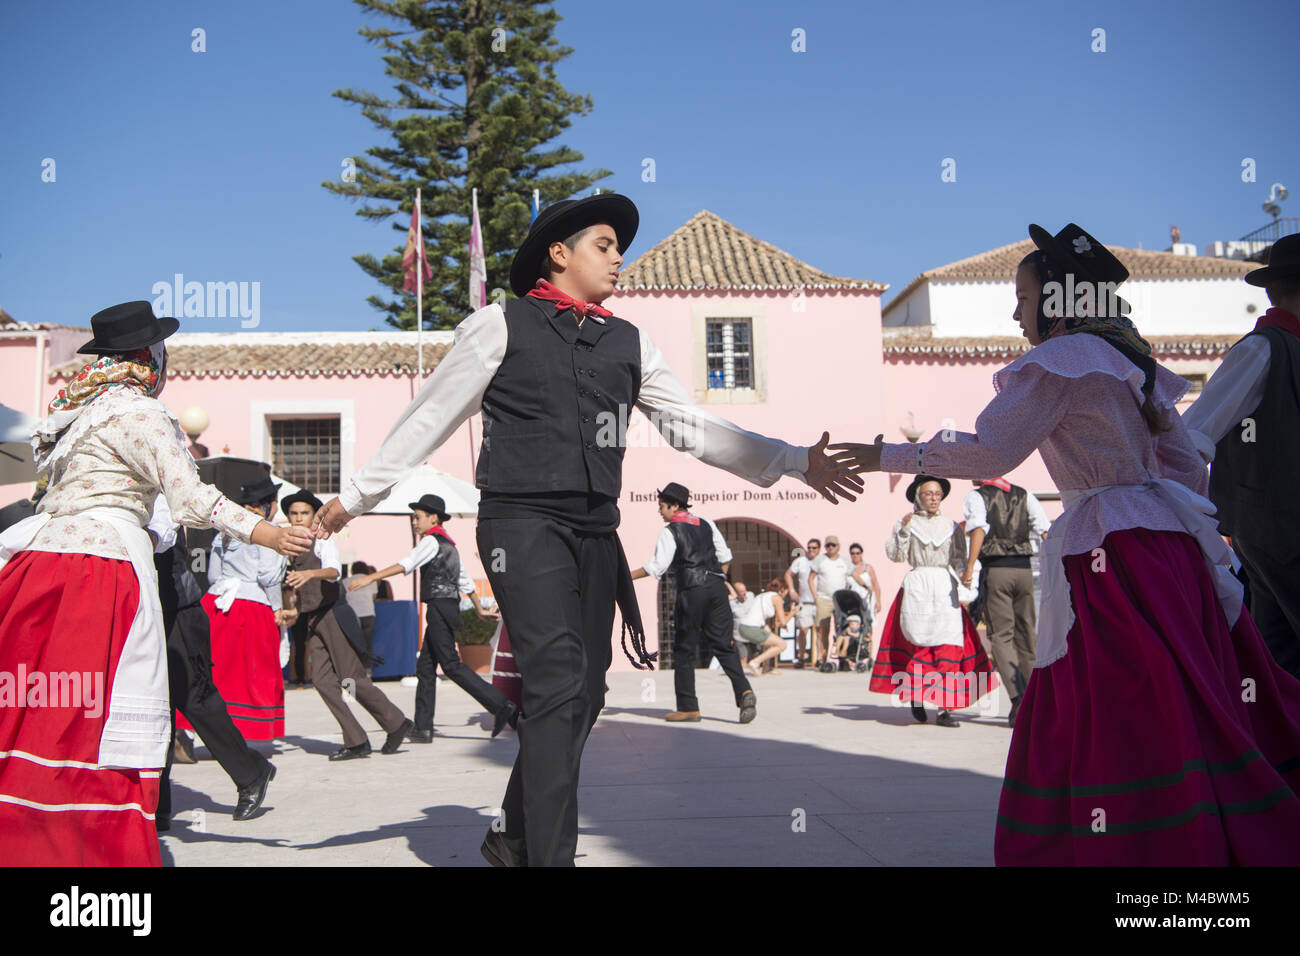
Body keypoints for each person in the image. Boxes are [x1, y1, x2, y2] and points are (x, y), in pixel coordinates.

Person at [311, 193, 860, 866]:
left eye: (620, 246)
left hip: (596, 532)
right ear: (559, 253)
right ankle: (548, 857)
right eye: (604, 244)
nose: (619, 257)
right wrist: (355, 498)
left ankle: (513, 831)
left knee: (588, 688)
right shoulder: (497, 325)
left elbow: (694, 429)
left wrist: (796, 460)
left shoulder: (631, 341)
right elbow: (429, 418)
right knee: (560, 682)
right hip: (522, 522)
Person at [830, 223, 1300, 865]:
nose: (1016, 311)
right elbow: (1188, 466)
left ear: (1057, 300)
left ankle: (1129, 851)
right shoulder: (1128, 363)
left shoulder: (1061, 363)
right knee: (1180, 695)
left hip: (1110, 554)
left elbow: (993, 450)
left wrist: (886, 452)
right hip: (1169, 547)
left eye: (1022, 297)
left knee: (1111, 703)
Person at [0, 301, 310, 866]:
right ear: (148, 357)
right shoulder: (141, 413)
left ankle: (29, 836)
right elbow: (190, 499)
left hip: (36, 565)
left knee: (40, 707)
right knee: (102, 710)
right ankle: (90, 849)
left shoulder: (77, 414)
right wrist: (267, 532)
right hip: (97, 569)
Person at [1184, 233, 1300, 680]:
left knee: (1279, 657)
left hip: (1277, 529)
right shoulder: (1261, 349)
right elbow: (1193, 436)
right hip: (1276, 529)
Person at [150, 497, 276, 829]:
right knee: (154, 707)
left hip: (180, 609)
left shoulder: (161, 489)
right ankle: (157, 805)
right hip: (146, 611)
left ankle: (251, 773)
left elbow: (163, 532)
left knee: (197, 699)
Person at [349, 493, 516, 742]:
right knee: (425, 667)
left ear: (433, 518)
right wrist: (479, 608)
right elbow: (464, 581)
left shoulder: (430, 542)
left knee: (450, 664)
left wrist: (371, 577)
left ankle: (501, 705)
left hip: (439, 606)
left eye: (417, 518)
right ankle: (424, 727)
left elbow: (407, 563)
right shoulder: (450, 545)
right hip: (446, 606)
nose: (414, 522)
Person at [283, 489, 413, 761]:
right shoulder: (292, 547)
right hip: (314, 619)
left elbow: (333, 572)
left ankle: (396, 722)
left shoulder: (321, 541)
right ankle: (357, 739)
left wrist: (308, 573)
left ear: (312, 516)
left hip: (334, 615)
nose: (298, 518)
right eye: (293, 513)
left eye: (304, 513)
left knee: (351, 678)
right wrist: (292, 609)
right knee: (320, 680)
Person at [867, 476, 996, 727]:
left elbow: (958, 559)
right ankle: (917, 695)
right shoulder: (907, 523)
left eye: (937, 493)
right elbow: (896, 555)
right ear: (919, 496)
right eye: (928, 493)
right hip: (918, 585)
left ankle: (945, 708)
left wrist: (965, 575)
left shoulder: (951, 526)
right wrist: (903, 531)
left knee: (949, 645)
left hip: (944, 586)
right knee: (919, 642)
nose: (934, 498)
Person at [631, 482, 756, 723]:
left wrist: (625, 577)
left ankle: (688, 707)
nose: (660, 511)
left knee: (685, 648)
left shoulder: (671, 531)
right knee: (723, 645)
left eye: (662, 506)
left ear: (674, 505)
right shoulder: (707, 524)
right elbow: (726, 557)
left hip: (692, 590)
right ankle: (744, 691)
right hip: (717, 588)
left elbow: (657, 566)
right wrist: (716, 580)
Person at [193, 472, 288, 742]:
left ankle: (196, 729)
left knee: (214, 669)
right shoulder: (267, 531)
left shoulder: (226, 530)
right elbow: (269, 577)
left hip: (216, 603)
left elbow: (213, 575)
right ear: (268, 503)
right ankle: (240, 731)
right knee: (251, 672)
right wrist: (278, 607)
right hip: (249, 607)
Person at [960, 477, 1050, 726]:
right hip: (1024, 571)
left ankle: (1019, 698)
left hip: (997, 569)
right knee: (1027, 634)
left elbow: (978, 528)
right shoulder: (1025, 494)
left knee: (1001, 635)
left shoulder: (977, 496)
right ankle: (1035, 699)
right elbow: (1044, 530)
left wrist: (969, 567)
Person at [809, 535, 853, 668]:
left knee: (842, 629)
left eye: (833, 545)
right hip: (824, 598)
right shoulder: (820, 560)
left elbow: (854, 576)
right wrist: (815, 596)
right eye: (828, 545)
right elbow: (811, 578)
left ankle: (842, 658)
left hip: (840, 600)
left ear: (838, 546)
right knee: (822, 630)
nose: (830, 548)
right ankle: (821, 658)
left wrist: (867, 587)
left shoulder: (844, 561)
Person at [736, 578, 791, 675]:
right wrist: (794, 612)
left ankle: (766, 667)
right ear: (782, 589)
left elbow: (763, 619)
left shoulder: (762, 596)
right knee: (782, 645)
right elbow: (783, 622)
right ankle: (755, 662)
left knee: (770, 640)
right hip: (751, 628)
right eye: (787, 591)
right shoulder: (777, 598)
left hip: (743, 626)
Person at [784, 540, 820, 667]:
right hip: (804, 601)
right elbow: (788, 574)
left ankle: (820, 658)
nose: (811, 550)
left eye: (814, 548)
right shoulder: (800, 561)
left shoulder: (822, 562)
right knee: (803, 630)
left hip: (819, 602)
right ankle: (801, 657)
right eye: (809, 547)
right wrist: (792, 590)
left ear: (819, 549)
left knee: (821, 631)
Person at [344, 561, 380, 661]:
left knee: (352, 645)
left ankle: (352, 670)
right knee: (366, 644)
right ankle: (366, 670)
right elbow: (373, 597)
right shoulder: (372, 581)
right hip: (368, 614)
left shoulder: (346, 581)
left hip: (352, 616)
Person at [727, 581, 757, 667]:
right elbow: (729, 621)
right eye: (741, 592)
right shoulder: (731, 604)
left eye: (745, 590)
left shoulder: (751, 596)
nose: (744, 593)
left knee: (756, 655)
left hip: (753, 632)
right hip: (739, 635)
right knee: (743, 656)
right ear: (736, 593)